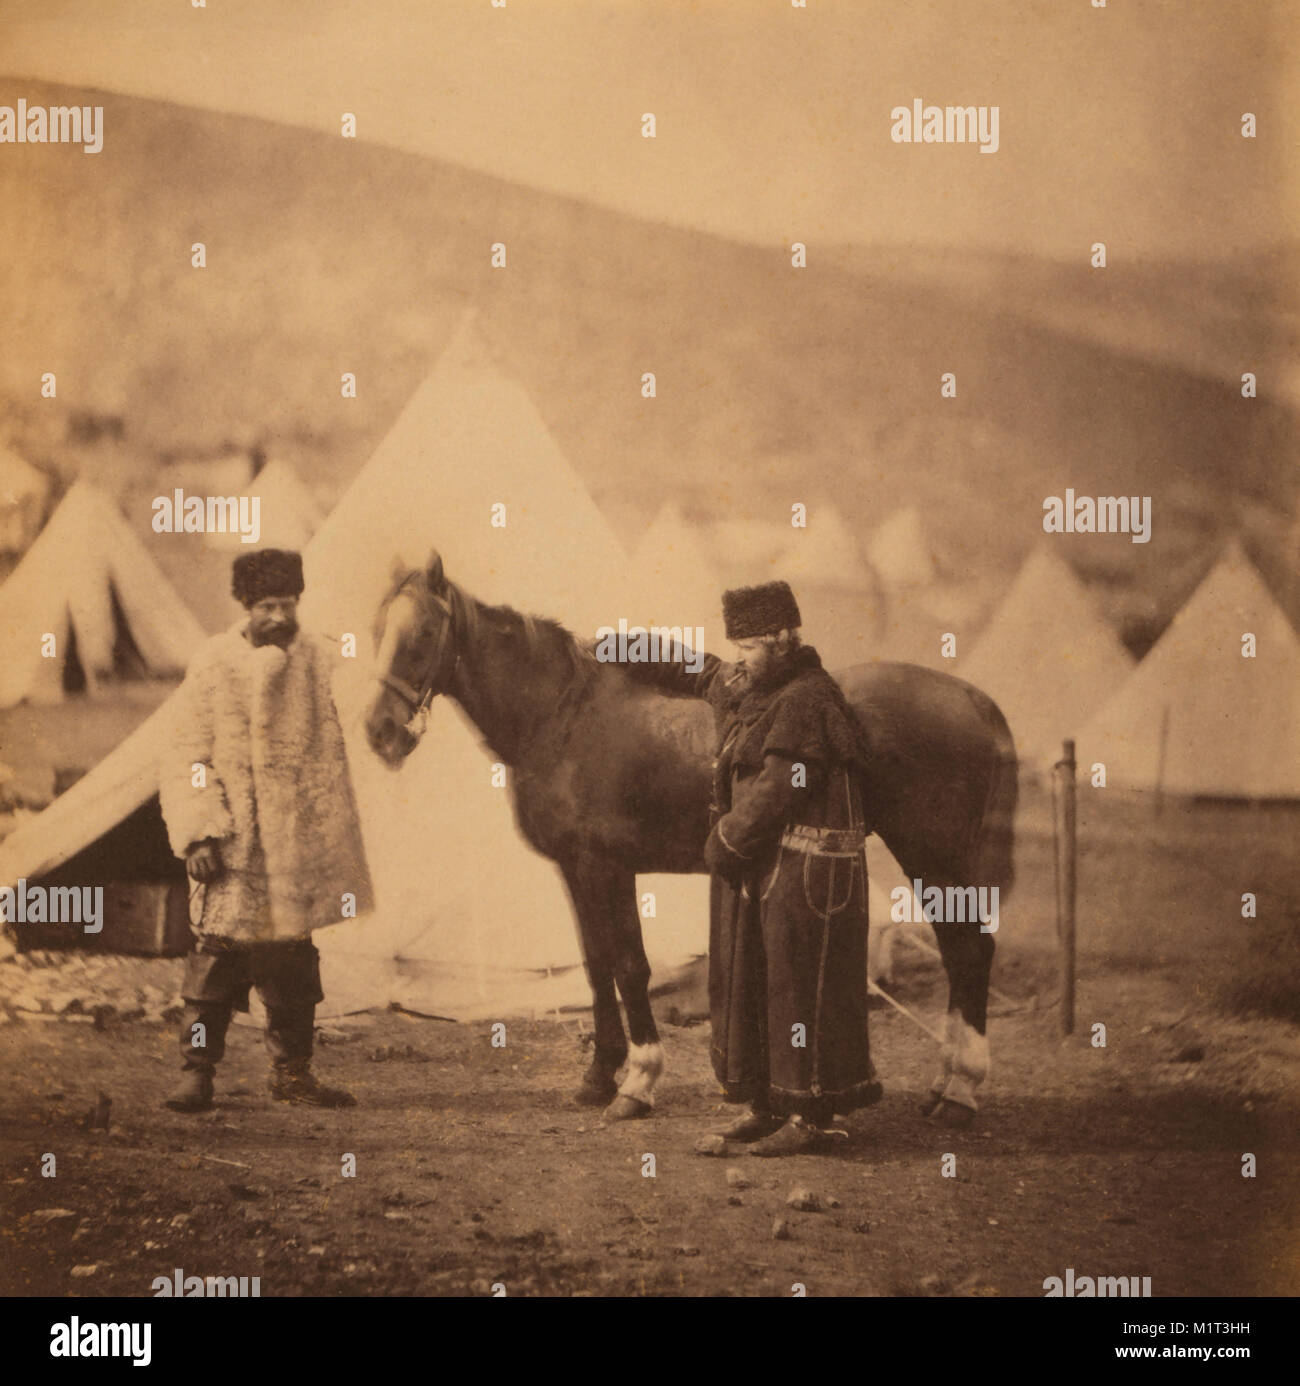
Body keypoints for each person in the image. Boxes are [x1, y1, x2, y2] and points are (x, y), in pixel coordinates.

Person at [626, 580, 881, 1154]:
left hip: (810, 874)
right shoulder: (754, 687)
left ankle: (809, 1118)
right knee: (756, 986)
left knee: (799, 989)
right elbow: (695, 671)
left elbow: (781, 787)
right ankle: (768, 1106)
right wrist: (615, 648)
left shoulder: (807, 699)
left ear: (785, 641)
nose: (738, 658)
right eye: (736, 646)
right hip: (769, 868)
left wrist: (727, 840)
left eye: (749, 647)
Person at [159, 549, 372, 1113]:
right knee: (214, 972)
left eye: (289, 603)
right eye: (267, 605)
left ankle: (293, 1074)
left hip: (297, 846)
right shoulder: (213, 665)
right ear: (246, 606)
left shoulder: (318, 661)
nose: (279, 616)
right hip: (234, 848)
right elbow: (187, 754)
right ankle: (197, 1073)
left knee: (295, 969)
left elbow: (360, 711)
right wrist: (200, 832)